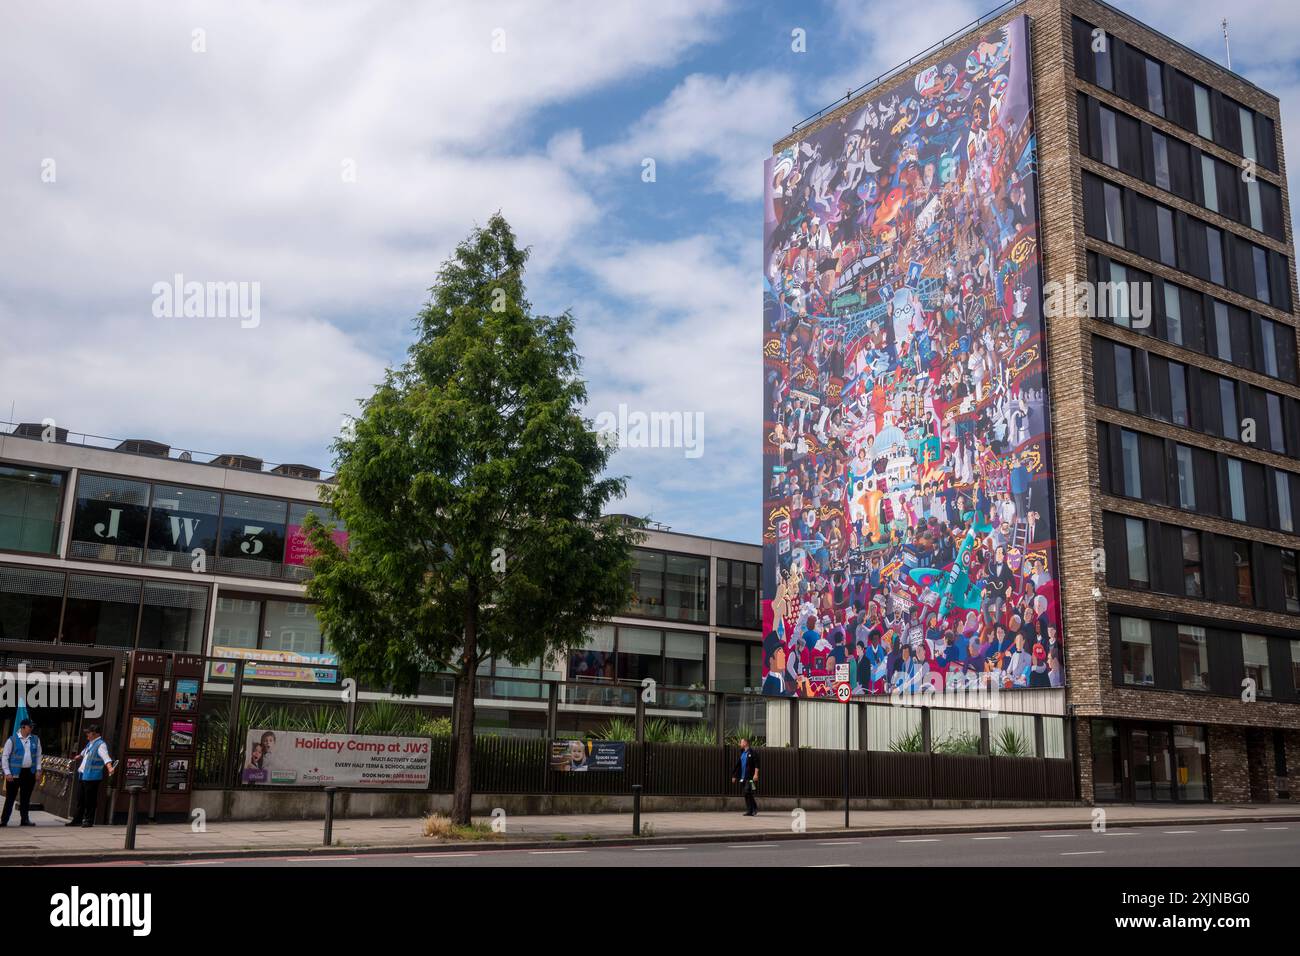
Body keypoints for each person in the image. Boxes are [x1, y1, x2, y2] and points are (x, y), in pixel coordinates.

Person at [66, 724, 115, 828]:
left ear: (95, 734)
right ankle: (78, 819)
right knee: (80, 799)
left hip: (92, 777)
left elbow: (106, 757)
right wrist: (79, 756)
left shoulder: (101, 745)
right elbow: (85, 753)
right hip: (84, 775)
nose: (87, 734)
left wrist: (110, 767)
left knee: (90, 800)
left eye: (89, 732)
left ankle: (88, 820)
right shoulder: (90, 744)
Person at [1, 719, 41, 827]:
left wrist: (38, 770)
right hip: (14, 773)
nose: (32, 728)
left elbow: (38, 756)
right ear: (23, 727)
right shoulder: (12, 740)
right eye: (30, 726)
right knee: (10, 797)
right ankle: (4, 820)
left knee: (26, 797)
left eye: (32, 726)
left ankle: (25, 820)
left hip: (29, 772)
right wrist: (7, 772)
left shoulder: (36, 739)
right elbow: (5, 757)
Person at [731, 737, 761, 817]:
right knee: (746, 793)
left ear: (745, 743)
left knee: (748, 791)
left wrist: (756, 774)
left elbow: (757, 764)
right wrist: (734, 775)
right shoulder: (742, 753)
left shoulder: (752, 752)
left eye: (741, 742)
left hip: (750, 778)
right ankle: (750, 810)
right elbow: (738, 765)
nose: (740, 744)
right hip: (743, 778)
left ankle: (753, 809)